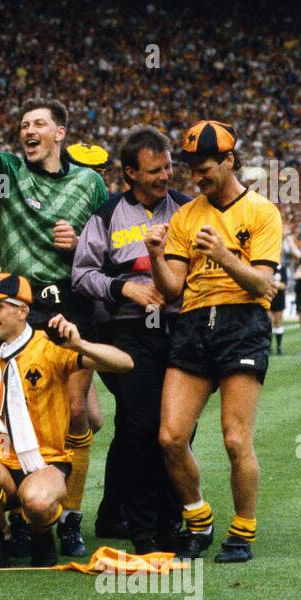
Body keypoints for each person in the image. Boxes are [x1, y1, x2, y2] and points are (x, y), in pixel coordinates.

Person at [0, 96, 108, 552]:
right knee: (12, 409)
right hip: (21, 307)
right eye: (23, 125)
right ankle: (14, 505)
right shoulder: (9, 174)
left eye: (38, 124)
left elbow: (105, 248)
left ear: (59, 133)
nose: (28, 131)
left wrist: (79, 248)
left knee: (75, 414)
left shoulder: (90, 182)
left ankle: (68, 517)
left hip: (72, 305)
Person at [145, 120, 282, 564]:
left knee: (235, 440)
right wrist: (153, 254)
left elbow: (263, 285)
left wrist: (223, 255)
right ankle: (198, 518)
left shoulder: (262, 212)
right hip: (193, 323)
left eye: (205, 169)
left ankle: (242, 530)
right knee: (169, 437)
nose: (197, 179)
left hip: (242, 323)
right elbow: (171, 290)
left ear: (229, 160)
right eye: (193, 171)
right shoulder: (186, 216)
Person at [0, 274, 134, 568]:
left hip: (46, 461)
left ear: (22, 311)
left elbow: (124, 363)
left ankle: (41, 536)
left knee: (38, 502)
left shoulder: (50, 346)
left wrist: (81, 345)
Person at [72, 126, 190, 555]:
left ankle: (171, 523)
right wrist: (125, 288)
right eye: (155, 170)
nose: (166, 177)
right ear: (130, 175)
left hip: (178, 331)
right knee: (140, 428)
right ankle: (141, 531)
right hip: (129, 333)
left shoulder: (187, 211)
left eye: (169, 167)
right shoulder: (106, 215)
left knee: (177, 432)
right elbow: (82, 275)